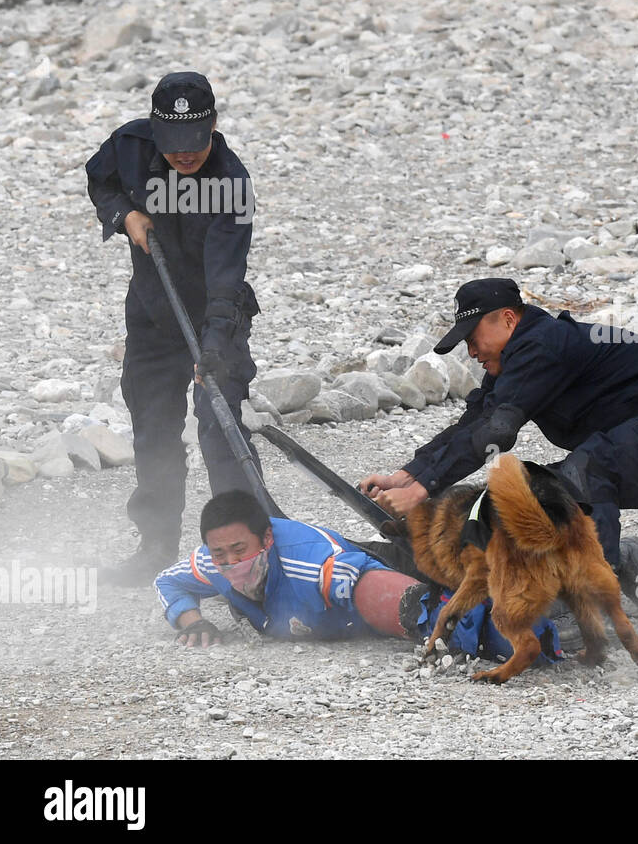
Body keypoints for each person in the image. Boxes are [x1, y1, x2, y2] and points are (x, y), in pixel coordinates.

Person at [358, 278, 638, 614]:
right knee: (532, 490)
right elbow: (473, 424)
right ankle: (626, 560)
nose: (472, 353)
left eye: (474, 339)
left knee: (588, 470)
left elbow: (497, 431)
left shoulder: (543, 345)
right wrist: (409, 476)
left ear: (509, 319)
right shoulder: (518, 358)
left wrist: (422, 492)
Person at [86, 71, 277, 585]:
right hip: (151, 314)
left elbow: (225, 278)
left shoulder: (232, 185)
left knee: (219, 426)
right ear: (155, 128)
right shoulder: (129, 145)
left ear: (212, 125)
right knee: (152, 428)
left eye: (193, 144)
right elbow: (98, 179)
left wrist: (213, 347)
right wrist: (124, 214)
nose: (183, 156)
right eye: (173, 145)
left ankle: (251, 550)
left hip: (217, 316)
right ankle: (155, 546)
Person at [155, 490, 434, 646]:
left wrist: (436, 620)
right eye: (220, 553)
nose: (231, 562)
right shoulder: (211, 562)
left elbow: (366, 579)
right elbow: (167, 581)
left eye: (240, 550)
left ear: (267, 538)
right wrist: (193, 622)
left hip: (392, 560)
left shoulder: (315, 567)